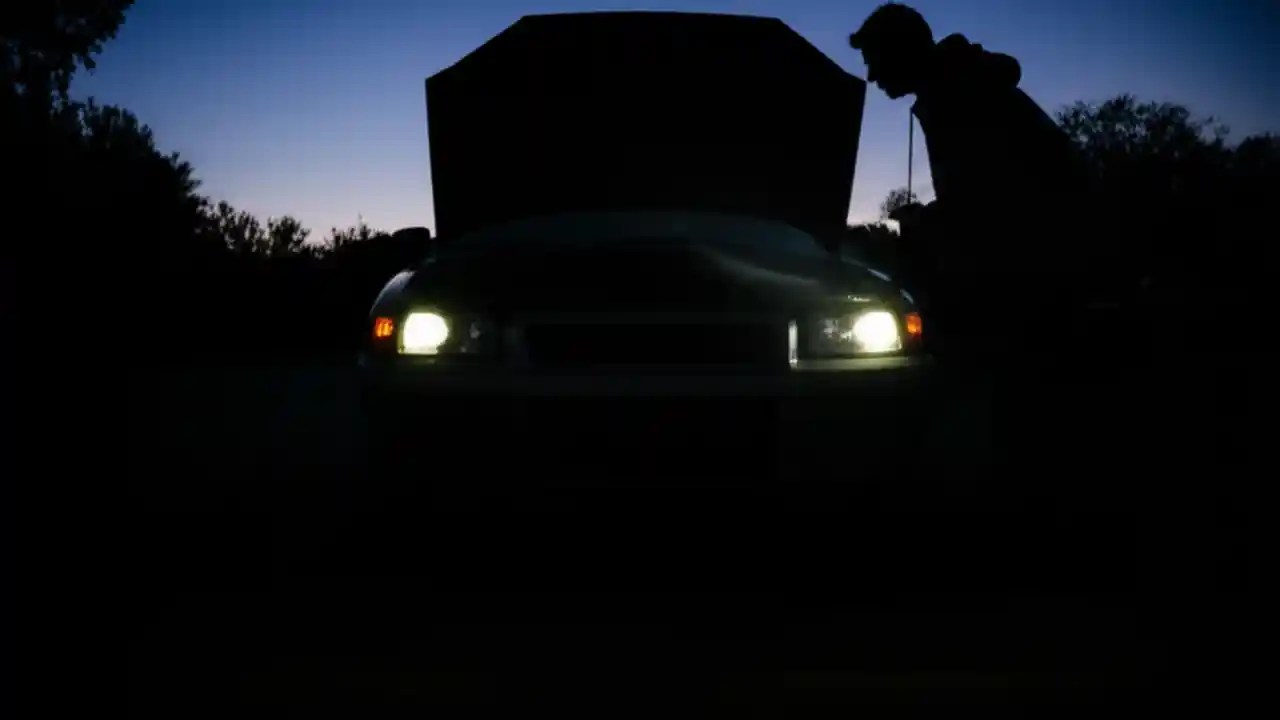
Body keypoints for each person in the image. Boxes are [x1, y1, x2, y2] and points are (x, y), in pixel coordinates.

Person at [849, 2, 1089, 365]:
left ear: (899, 50)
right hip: (1040, 273)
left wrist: (923, 222)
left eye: (873, 59)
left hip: (1039, 282)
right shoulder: (957, 87)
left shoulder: (964, 96)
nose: (870, 76)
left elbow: (996, 206)